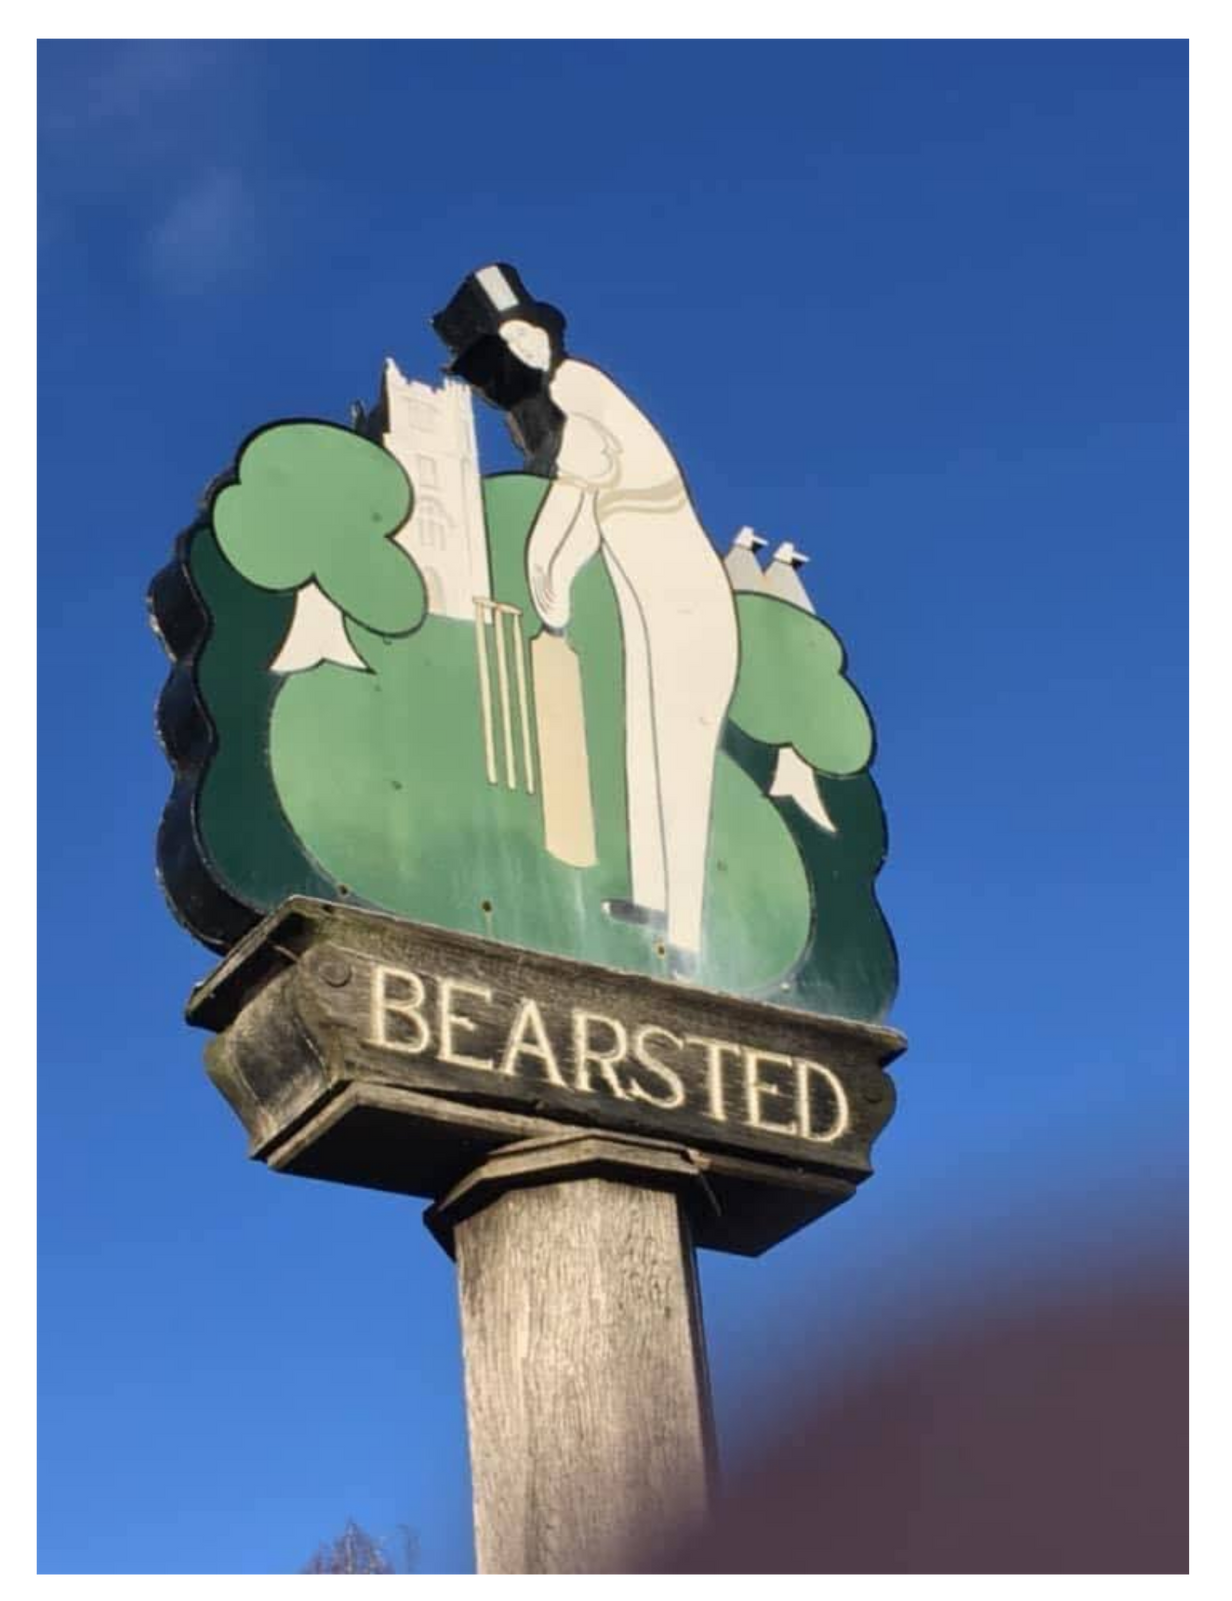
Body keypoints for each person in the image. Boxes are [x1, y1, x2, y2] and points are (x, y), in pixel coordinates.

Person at [435, 266, 739, 968]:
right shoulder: (558, 409)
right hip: (649, 592)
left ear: (543, 331)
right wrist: (554, 584)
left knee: (680, 754)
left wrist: (547, 580)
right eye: (507, 342)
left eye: (525, 332)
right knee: (642, 739)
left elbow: (572, 505)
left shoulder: (579, 387)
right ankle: (655, 898)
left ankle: (691, 932)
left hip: (688, 596)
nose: (525, 348)